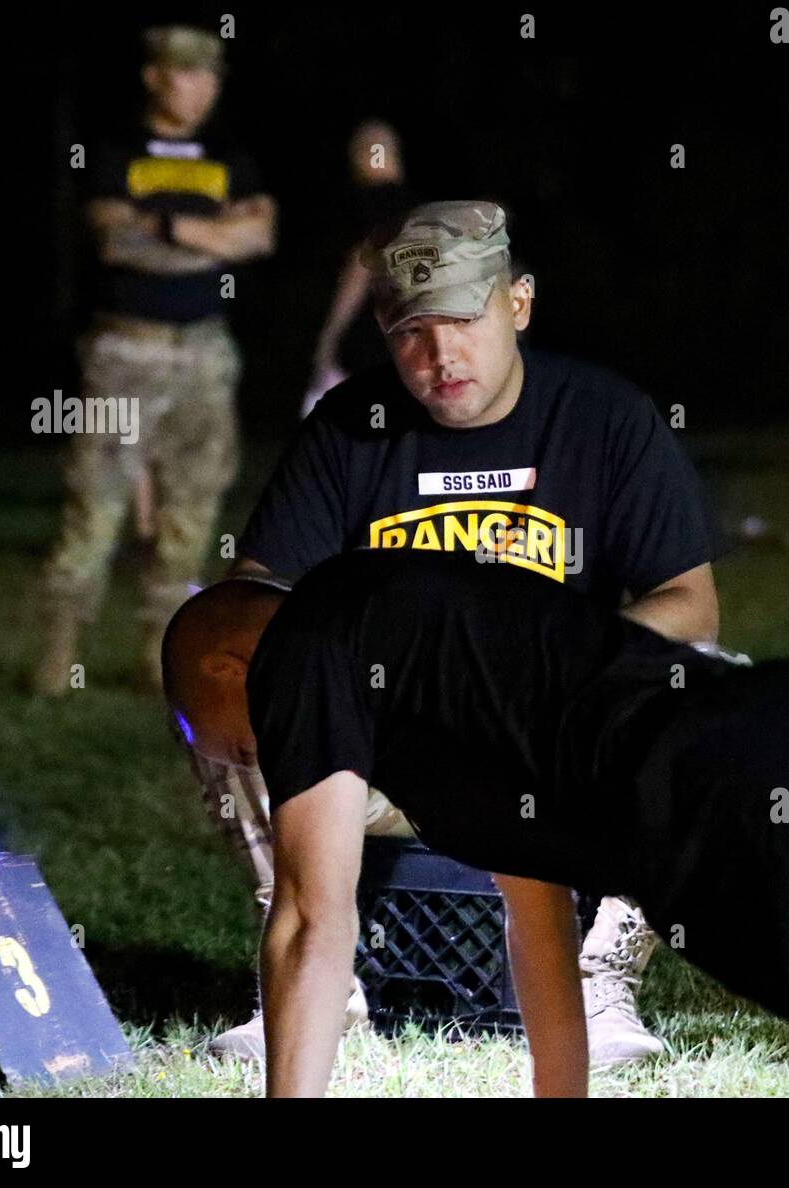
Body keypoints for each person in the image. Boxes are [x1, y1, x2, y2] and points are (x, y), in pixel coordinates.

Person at [163, 549, 789, 1098]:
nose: (260, 767)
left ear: (225, 672)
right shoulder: (432, 631)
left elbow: (311, 918)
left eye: (239, 749)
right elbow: (536, 901)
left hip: (755, 798)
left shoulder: (304, 645)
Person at [194, 199, 720, 1066]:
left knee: (696, 676)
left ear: (518, 302)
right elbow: (253, 593)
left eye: (465, 320)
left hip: (547, 737)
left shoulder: (604, 418)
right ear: (381, 328)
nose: (440, 356)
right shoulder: (349, 429)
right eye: (412, 331)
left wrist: (551, 666)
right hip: (379, 745)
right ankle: (318, 980)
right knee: (226, 678)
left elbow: (689, 602)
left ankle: (602, 982)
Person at [32, 24, 275, 695]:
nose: (196, 87)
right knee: (94, 504)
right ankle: (59, 656)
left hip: (204, 351)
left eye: (208, 75)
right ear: (154, 76)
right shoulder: (115, 150)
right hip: (124, 350)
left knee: (191, 509)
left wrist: (165, 226)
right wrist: (211, 238)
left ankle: (159, 658)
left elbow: (258, 235)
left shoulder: (231, 154)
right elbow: (116, 244)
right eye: (182, 72)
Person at [301, 118, 417, 417]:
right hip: (409, 343)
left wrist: (330, 335)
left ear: (360, 155)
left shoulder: (363, 205)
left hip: (362, 346)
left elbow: (360, 266)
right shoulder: (420, 210)